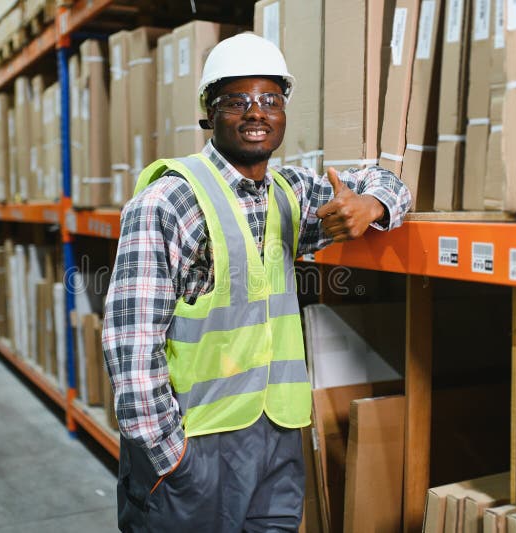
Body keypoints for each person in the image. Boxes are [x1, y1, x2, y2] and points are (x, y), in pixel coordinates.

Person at [102, 32, 412, 532]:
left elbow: (387, 181)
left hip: (279, 434)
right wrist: (168, 455)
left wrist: (371, 207)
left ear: (284, 112)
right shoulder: (168, 201)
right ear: (208, 112)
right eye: (237, 101)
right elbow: (130, 344)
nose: (256, 112)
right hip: (195, 443)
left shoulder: (292, 195)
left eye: (270, 99)